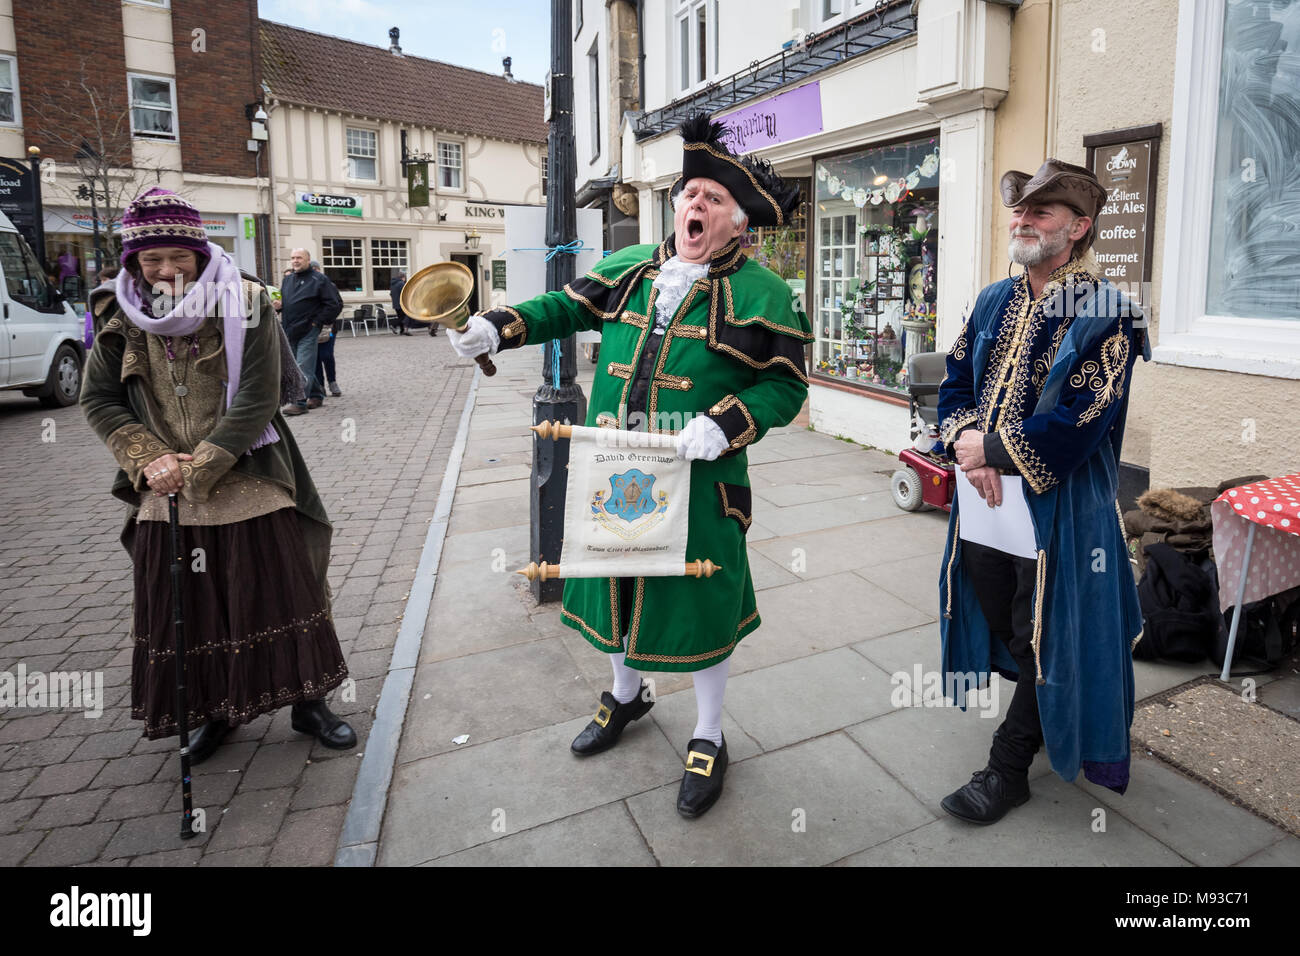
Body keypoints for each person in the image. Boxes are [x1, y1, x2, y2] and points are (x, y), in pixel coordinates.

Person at [449, 114, 808, 818]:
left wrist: (724, 424)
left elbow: (786, 386)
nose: (695, 205)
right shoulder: (634, 266)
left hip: (701, 479)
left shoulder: (765, 293)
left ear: (737, 223)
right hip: (614, 471)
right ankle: (625, 695)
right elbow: (563, 307)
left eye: (712, 199)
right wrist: (498, 325)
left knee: (698, 605)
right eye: (689, 194)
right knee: (612, 585)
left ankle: (709, 734)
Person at [80, 187, 356, 763]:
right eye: (151, 258)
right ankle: (216, 710)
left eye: (179, 256)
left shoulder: (245, 300)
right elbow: (100, 398)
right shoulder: (115, 312)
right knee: (193, 604)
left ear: (200, 253)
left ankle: (308, 703)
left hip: (252, 472)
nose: (166, 270)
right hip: (162, 484)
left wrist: (204, 463)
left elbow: (259, 394)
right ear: (133, 260)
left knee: (284, 592)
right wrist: (149, 457)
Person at [936, 159, 1149, 824]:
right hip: (985, 505)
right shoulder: (993, 299)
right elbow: (955, 380)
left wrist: (993, 451)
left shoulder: (1108, 313)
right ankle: (1044, 708)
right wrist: (969, 447)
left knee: (1046, 631)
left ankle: (1009, 765)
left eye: (1041, 211)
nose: (1022, 220)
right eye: (1020, 210)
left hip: (1062, 511)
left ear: (1078, 227)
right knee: (1003, 618)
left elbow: (1086, 418)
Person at [279, 247, 342, 415]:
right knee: (299, 365)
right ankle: (316, 394)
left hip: (308, 330)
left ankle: (299, 402)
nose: (295, 261)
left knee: (302, 366)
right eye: (293, 258)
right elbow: (286, 303)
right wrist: (278, 306)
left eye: (299, 257)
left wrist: (317, 323)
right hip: (289, 330)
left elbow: (334, 304)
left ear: (308, 260)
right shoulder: (287, 280)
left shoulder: (319, 280)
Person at [310, 260, 343, 397]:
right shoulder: (307, 287)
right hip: (311, 328)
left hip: (328, 327)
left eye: (315, 269)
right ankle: (320, 386)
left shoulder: (329, 285)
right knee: (315, 358)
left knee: (327, 355)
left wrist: (327, 319)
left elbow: (338, 304)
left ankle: (332, 381)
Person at [390, 270, 413, 336]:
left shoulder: (393, 284)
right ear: (403, 277)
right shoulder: (401, 283)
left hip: (395, 304)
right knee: (404, 318)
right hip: (401, 304)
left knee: (400, 316)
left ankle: (402, 331)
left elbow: (391, 294)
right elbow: (405, 293)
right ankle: (393, 325)